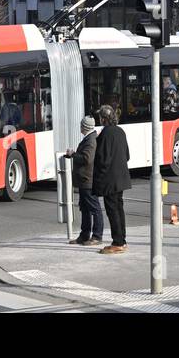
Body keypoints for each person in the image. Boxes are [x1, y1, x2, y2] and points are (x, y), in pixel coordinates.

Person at [91, 105, 131, 254]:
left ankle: (118, 242)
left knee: (112, 210)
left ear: (104, 119)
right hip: (121, 178)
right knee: (119, 209)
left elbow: (101, 159)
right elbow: (127, 155)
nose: (99, 120)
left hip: (109, 179)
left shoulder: (105, 134)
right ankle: (122, 240)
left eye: (100, 117)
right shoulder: (121, 131)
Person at [65, 116, 103, 245]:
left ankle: (97, 236)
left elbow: (87, 159)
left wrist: (73, 154)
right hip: (84, 180)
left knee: (94, 208)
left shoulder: (91, 140)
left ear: (84, 127)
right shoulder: (89, 138)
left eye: (81, 125)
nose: (80, 127)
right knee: (85, 208)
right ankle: (84, 235)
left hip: (88, 180)